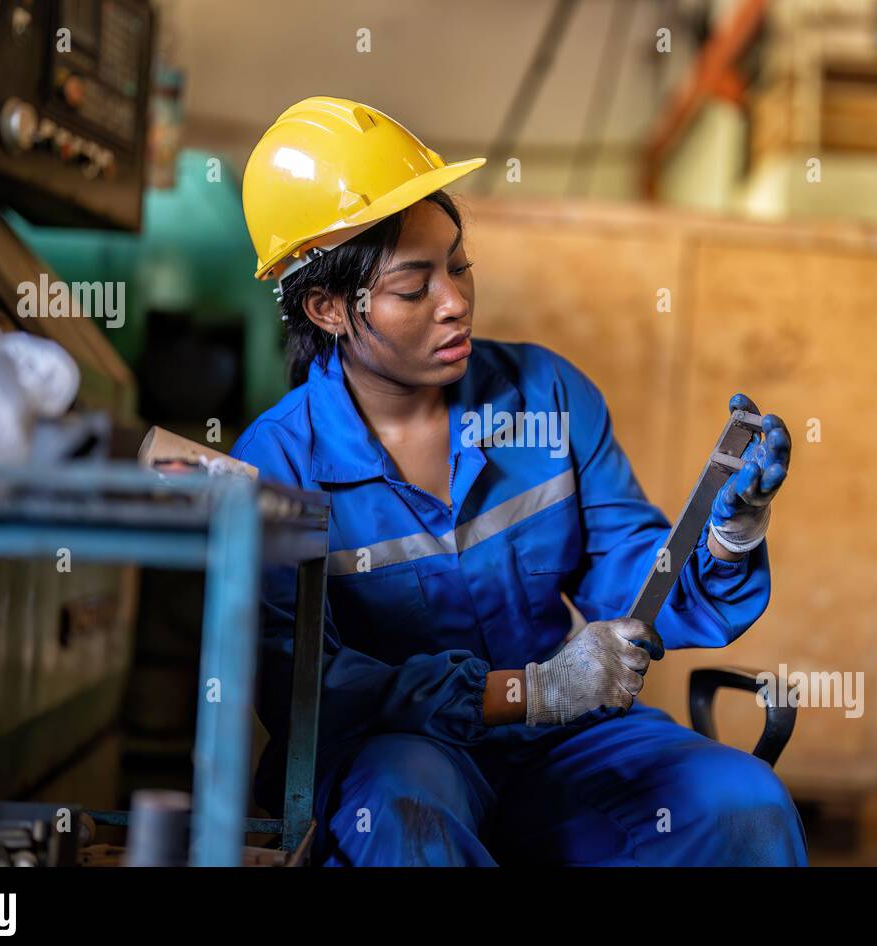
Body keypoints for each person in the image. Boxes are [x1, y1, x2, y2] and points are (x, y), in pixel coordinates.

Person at [233, 96, 804, 866]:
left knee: (743, 806)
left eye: (459, 266)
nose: (456, 301)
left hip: (563, 743)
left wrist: (728, 536)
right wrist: (524, 692)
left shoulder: (547, 395)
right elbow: (306, 686)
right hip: (408, 755)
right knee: (405, 820)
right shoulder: (281, 461)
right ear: (328, 306)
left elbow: (630, 580)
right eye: (414, 288)